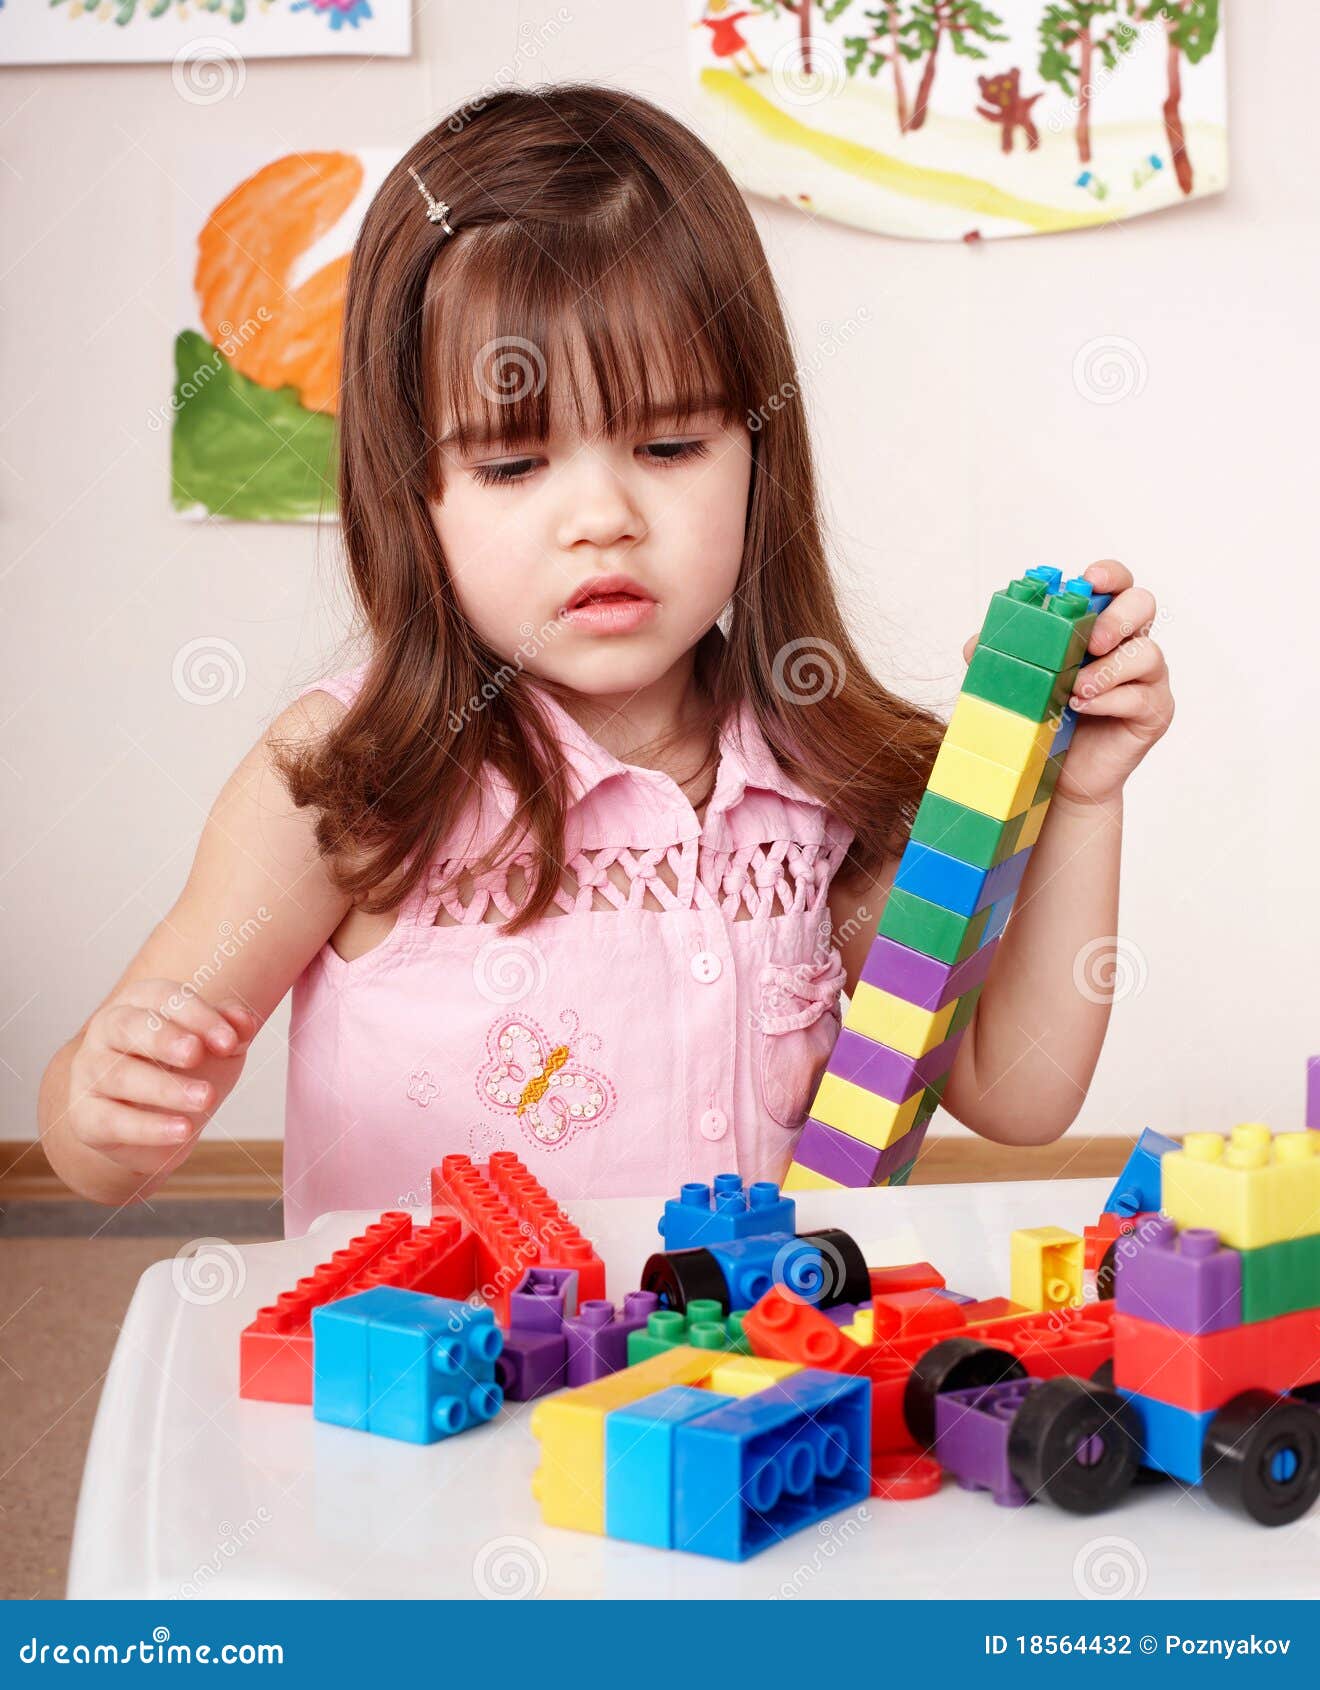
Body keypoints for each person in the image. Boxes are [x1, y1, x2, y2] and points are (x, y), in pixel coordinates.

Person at [38, 85, 1173, 1233]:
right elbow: (101, 1156)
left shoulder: (831, 783)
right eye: (513, 466)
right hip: (452, 1403)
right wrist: (108, 1105)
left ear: (757, 453)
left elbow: (1016, 1095)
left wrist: (1077, 798)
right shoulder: (347, 778)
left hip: (748, 1392)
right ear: (413, 490)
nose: (602, 517)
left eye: (670, 444)